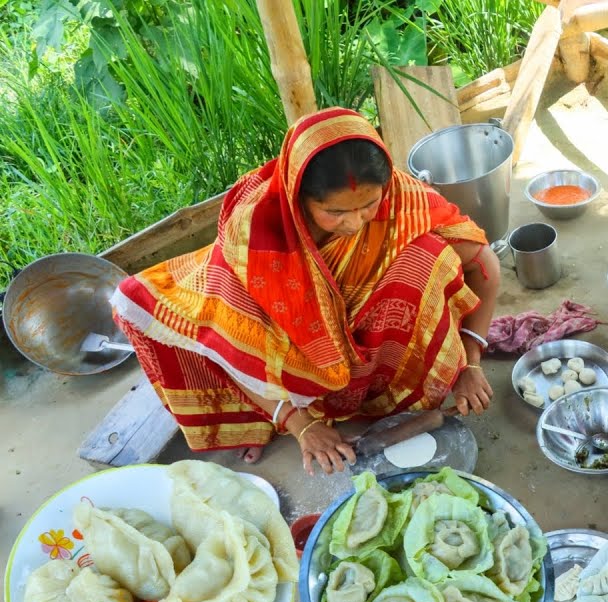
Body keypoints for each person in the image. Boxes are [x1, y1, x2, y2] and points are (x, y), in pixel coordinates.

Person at [113, 108, 501, 476]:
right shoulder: (258, 233)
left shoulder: (402, 198)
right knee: (151, 310)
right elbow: (237, 340)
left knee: (428, 258)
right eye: (335, 213)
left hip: (364, 340)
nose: (354, 224)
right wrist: (299, 425)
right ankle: (272, 415)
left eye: (368, 205)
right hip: (297, 344)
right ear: (299, 195)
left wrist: (471, 362)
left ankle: (389, 398)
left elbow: (485, 264)